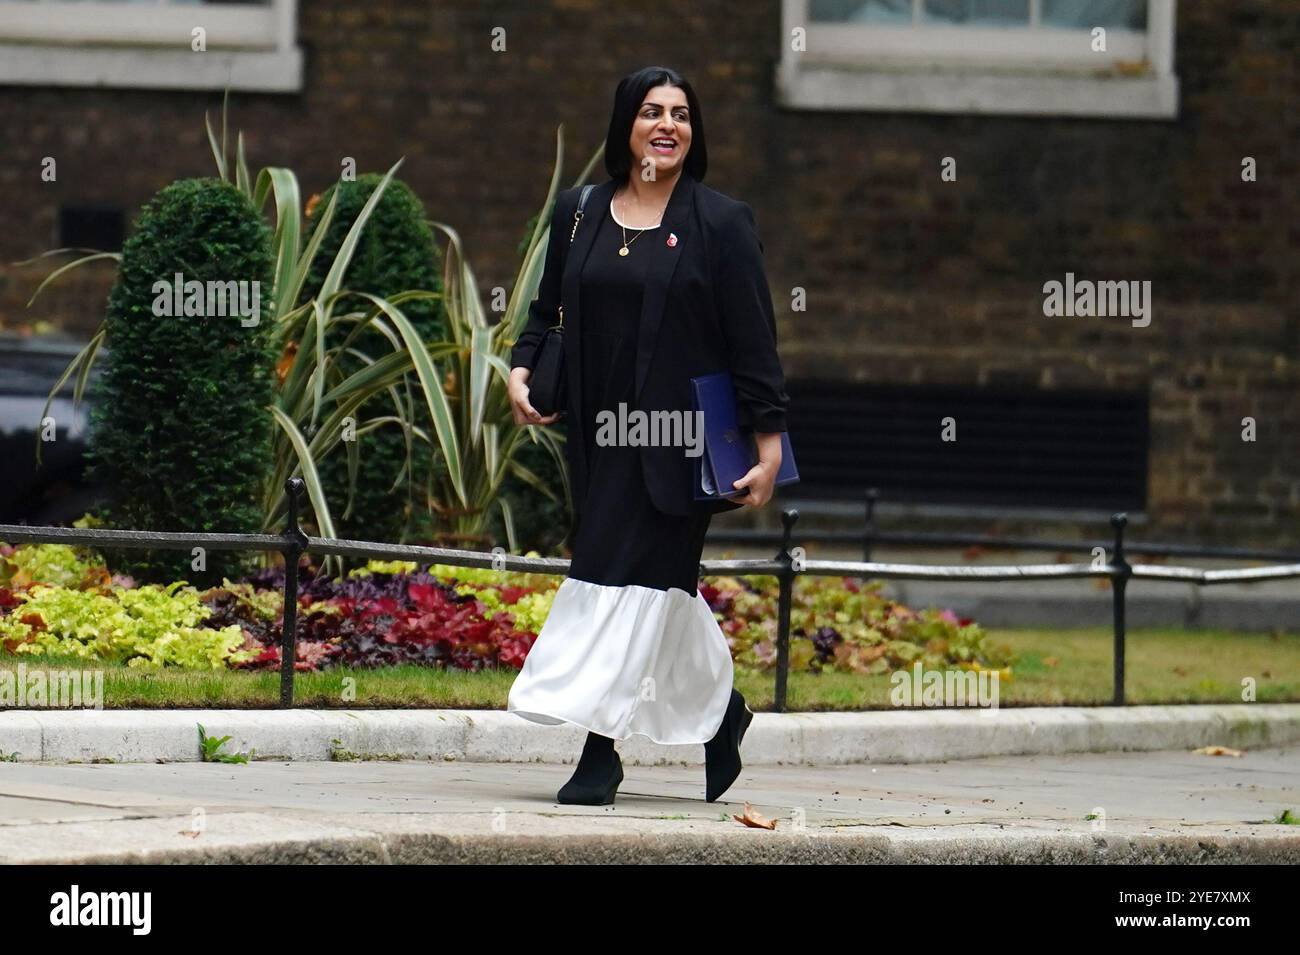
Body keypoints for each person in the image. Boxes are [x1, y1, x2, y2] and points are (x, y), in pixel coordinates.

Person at [505, 65, 790, 806]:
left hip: (682, 438)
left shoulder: (719, 223)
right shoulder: (578, 212)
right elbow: (545, 314)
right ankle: (722, 716)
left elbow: (753, 341)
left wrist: (769, 445)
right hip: (600, 433)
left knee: (610, 574)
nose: (667, 124)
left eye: (682, 114)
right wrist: (520, 371)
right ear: (625, 125)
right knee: (658, 586)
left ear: (694, 133)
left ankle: (598, 752)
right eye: (652, 111)